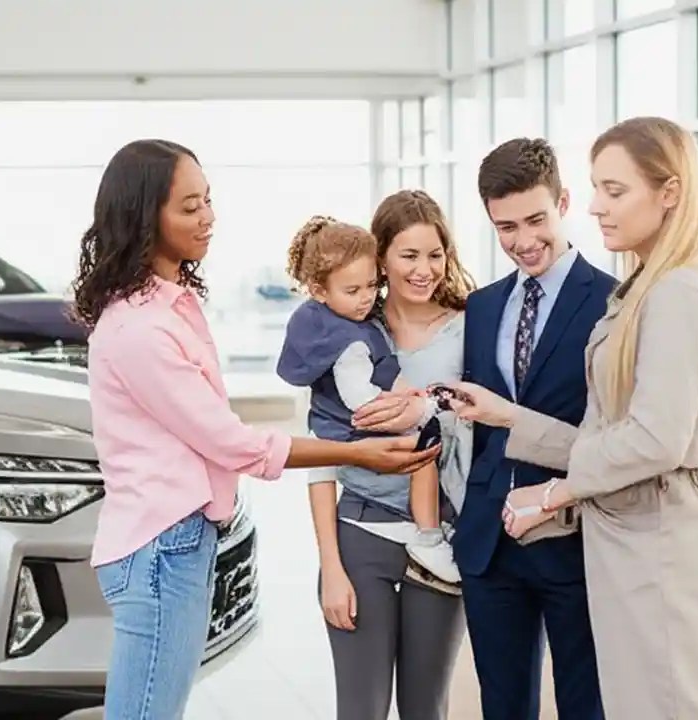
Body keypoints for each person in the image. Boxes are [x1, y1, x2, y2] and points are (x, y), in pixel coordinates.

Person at [71, 139, 439, 720]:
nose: (208, 217)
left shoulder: (169, 304)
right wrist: (357, 454)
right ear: (147, 218)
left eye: (208, 200)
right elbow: (229, 441)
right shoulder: (140, 328)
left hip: (175, 540)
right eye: (189, 207)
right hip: (161, 547)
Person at [447, 117, 698, 720]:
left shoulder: (676, 292)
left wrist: (554, 492)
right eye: (597, 188)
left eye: (615, 190)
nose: (598, 207)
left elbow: (656, 440)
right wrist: (508, 418)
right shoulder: (648, 289)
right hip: (628, 538)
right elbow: (619, 435)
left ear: (669, 192)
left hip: (652, 540)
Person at [451, 137, 615, 720]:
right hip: (490, 545)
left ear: (564, 201)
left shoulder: (612, 303)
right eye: (505, 227)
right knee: (502, 706)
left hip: (574, 539)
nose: (522, 241)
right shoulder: (483, 305)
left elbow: (614, 432)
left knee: (584, 705)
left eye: (535, 219)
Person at [306, 189, 474, 719]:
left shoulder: (470, 328)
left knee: (427, 709)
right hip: (360, 540)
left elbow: (485, 424)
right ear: (380, 258)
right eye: (408, 256)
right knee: (362, 710)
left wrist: (428, 413)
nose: (424, 270)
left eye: (434, 254)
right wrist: (330, 566)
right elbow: (320, 453)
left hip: (440, 541)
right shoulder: (346, 330)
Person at [276, 214, 460, 583]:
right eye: (409, 256)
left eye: (369, 287)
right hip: (361, 505)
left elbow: (390, 376)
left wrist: (414, 395)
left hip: (434, 503)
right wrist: (420, 409)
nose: (365, 298)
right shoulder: (354, 338)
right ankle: (429, 537)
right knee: (423, 453)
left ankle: (430, 534)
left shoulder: (333, 324)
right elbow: (361, 403)